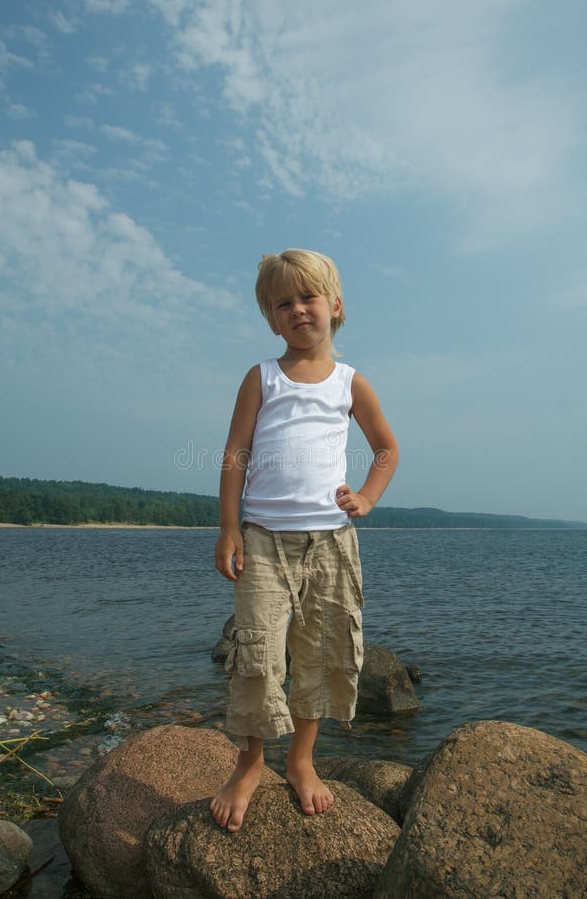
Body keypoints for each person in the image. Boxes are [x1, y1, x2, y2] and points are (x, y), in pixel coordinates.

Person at [210, 248, 399, 832]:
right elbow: (235, 455)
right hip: (263, 540)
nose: (297, 310)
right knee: (257, 655)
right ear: (271, 318)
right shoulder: (261, 377)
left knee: (320, 654)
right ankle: (249, 764)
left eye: (307, 297)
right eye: (282, 303)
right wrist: (229, 526)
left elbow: (386, 450)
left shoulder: (350, 383)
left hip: (331, 544)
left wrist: (366, 497)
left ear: (334, 305)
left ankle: (300, 761)